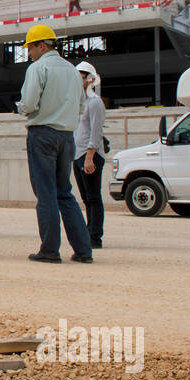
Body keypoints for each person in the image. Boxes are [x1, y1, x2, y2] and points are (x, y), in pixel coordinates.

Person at [16, 24, 93, 263]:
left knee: (46, 194)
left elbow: (28, 103)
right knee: (65, 193)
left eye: (30, 48)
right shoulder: (72, 70)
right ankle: (83, 250)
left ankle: (49, 250)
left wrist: (20, 108)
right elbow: (81, 105)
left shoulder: (38, 67)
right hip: (66, 136)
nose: (29, 53)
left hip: (42, 134)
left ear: (41, 45)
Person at [72, 61, 106, 249]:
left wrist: (90, 157)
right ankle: (89, 230)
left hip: (89, 154)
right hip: (78, 154)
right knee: (86, 198)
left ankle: (95, 236)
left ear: (89, 79)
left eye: (81, 77)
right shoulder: (78, 102)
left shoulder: (94, 103)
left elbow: (96, 131)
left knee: (93, 197)